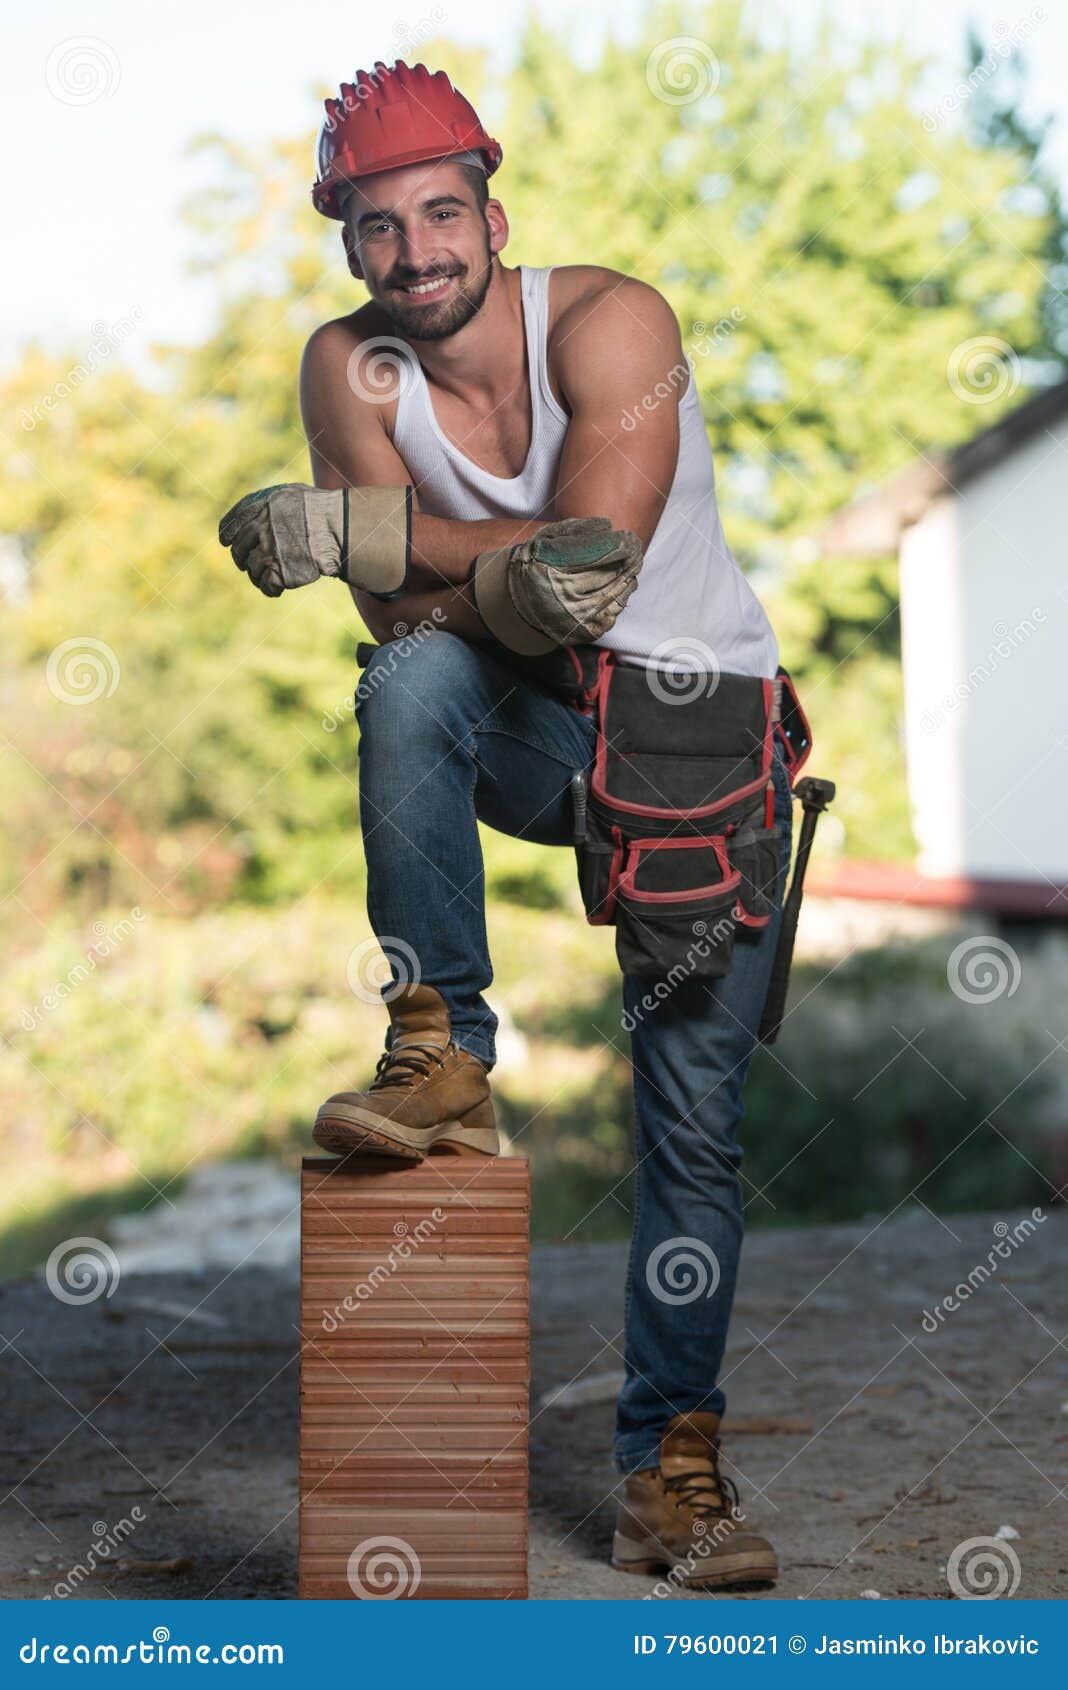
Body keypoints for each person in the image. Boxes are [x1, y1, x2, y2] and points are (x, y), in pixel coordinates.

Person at [219, 58, 794, 1591]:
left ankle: (669, 1468)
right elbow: (408, 602)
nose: (416, 254)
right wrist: (437, 556)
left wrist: (377, 523)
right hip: (528, 727)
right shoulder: (350, 370)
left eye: (441, 214)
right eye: (379, 227)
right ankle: (441, 1047)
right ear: (348, 241)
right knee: (408, 680)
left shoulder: (615, 326)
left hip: (694, 742)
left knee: (689, 1127)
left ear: (493, 209)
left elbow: (588, 571)